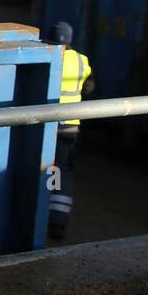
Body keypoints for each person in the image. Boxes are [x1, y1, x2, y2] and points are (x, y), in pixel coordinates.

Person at [46, 21, 93, 241]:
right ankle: (57, 222)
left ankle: (39, 213)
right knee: (62, 171)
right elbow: (90, 86)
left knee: (45, 167)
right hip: (71, 126)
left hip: (47, 124)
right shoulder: (82, 61)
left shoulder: (47, 56)